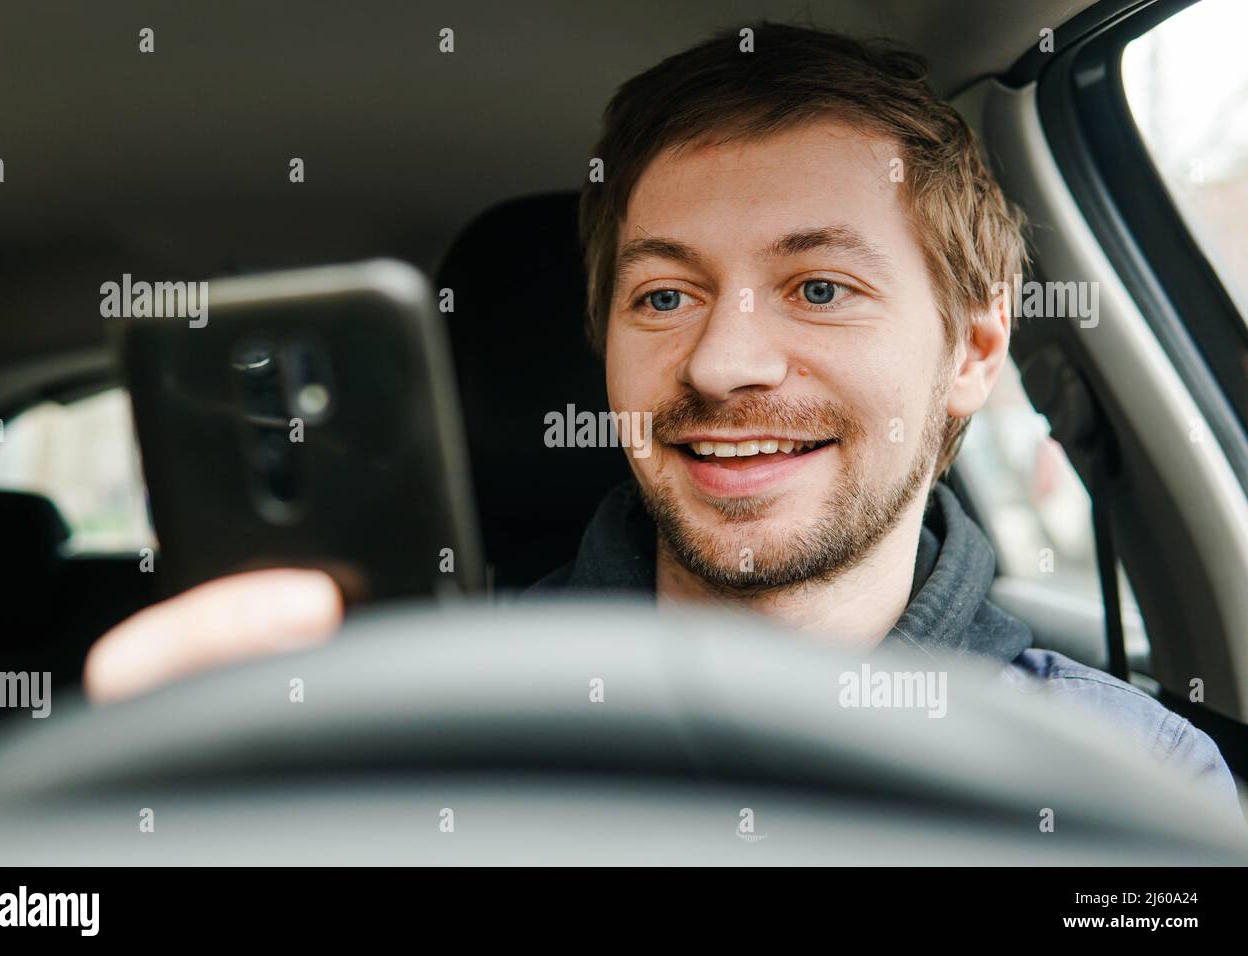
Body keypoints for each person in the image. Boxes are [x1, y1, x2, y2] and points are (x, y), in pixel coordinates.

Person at [84, 23, 1239, 809]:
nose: (724, 360)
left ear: (973, 351)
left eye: (819, 287)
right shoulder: (424, 729)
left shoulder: (1128, 777)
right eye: (665, 295)